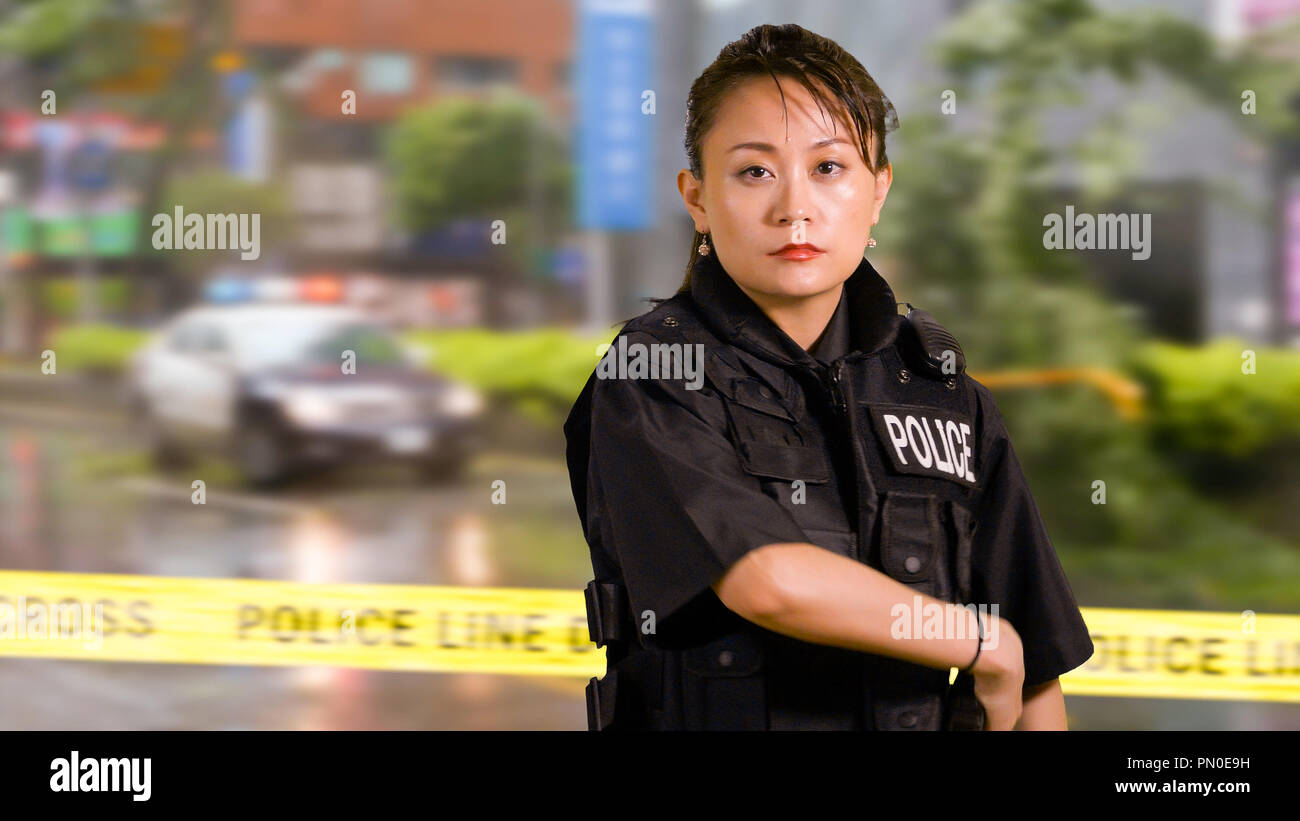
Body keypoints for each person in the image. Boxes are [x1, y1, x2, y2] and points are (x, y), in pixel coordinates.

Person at [564, 23, 1093, 731]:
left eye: (829, 168)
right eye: (754, 171)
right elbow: (767, 579)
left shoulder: (945, 395)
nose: (794, 209)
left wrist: (1005, 649)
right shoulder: (654, 373)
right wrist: (979, 641)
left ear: (878, 192)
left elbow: (1036, 679)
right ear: (696, 198)